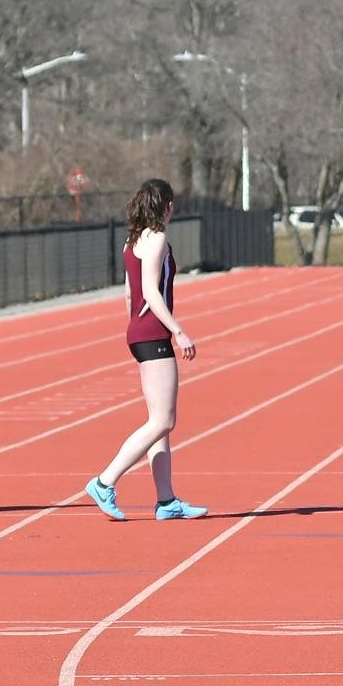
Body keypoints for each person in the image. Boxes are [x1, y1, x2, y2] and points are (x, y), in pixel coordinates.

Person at [84, 179, 206, 522]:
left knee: (158, 422)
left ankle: (166, 501)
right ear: (166, 206)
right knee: (165, 420)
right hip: (153, 332)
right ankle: (104, 482)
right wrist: (178, 331)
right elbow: (151, 291)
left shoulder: (132, 240)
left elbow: (129, 294)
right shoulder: (157, 239)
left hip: (139, 332)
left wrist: (136, 329)